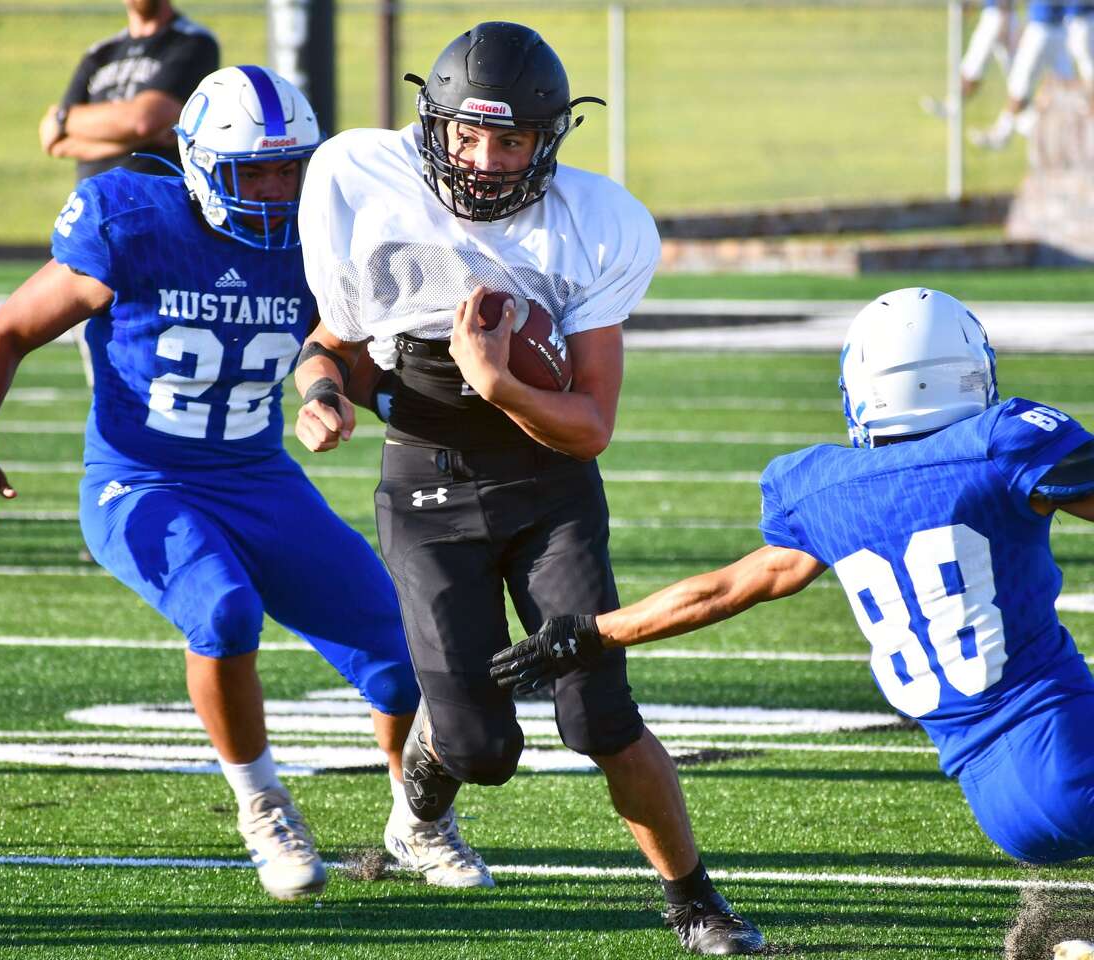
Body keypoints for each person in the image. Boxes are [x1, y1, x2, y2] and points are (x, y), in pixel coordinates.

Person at [293, 21, 766, 956]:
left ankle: (694, 900)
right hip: (426, 480)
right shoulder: (360, 180)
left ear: (547, 139)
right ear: (430, 122)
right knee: (482, 751)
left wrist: (500, 381)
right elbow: (335, 346)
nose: (484, 159)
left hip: (549, 486)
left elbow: (591, 426)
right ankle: (422, 802)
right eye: (467, 135)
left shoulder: (593, 220)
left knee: (600, 715)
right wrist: (319, 395)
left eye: (509, 140)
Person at [0, 65, 432, 900]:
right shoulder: (133, 223)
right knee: (223, 608)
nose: (279, 190)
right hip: (142, 478)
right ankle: (263, 807)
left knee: (400, 661)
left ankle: (419, 821)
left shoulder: (316, 240)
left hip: (259, 475)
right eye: (257, 171)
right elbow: (3, 334)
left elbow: (342, 357)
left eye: (292, 168)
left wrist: (337, 396)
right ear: (204, 165)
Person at [493, 287, 1094, 867]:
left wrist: (589, 631)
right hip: (1067, 744)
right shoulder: (1001, 445)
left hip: (995, 803)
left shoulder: (824, 488)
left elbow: (724, 590)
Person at [38, 0, 219, 182]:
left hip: (153, 197)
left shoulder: (194, 42)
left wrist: (65, 120)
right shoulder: (99, 53)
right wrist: (139, 140)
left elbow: (144, 120)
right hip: (94, 201)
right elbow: (55, 142)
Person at [970, 1, 1075, 148]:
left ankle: (1010, 132)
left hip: (1050, 29)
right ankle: (1010, 131)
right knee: (1025, 86)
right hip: (1048, 28)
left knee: (1061, 89)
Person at [921, 0, 1017, 120]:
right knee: (973, 68)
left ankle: (1024, 123)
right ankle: (951, 107)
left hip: (1000, 16)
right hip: (993, 15)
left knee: (1016, 78)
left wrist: (1004, 19)